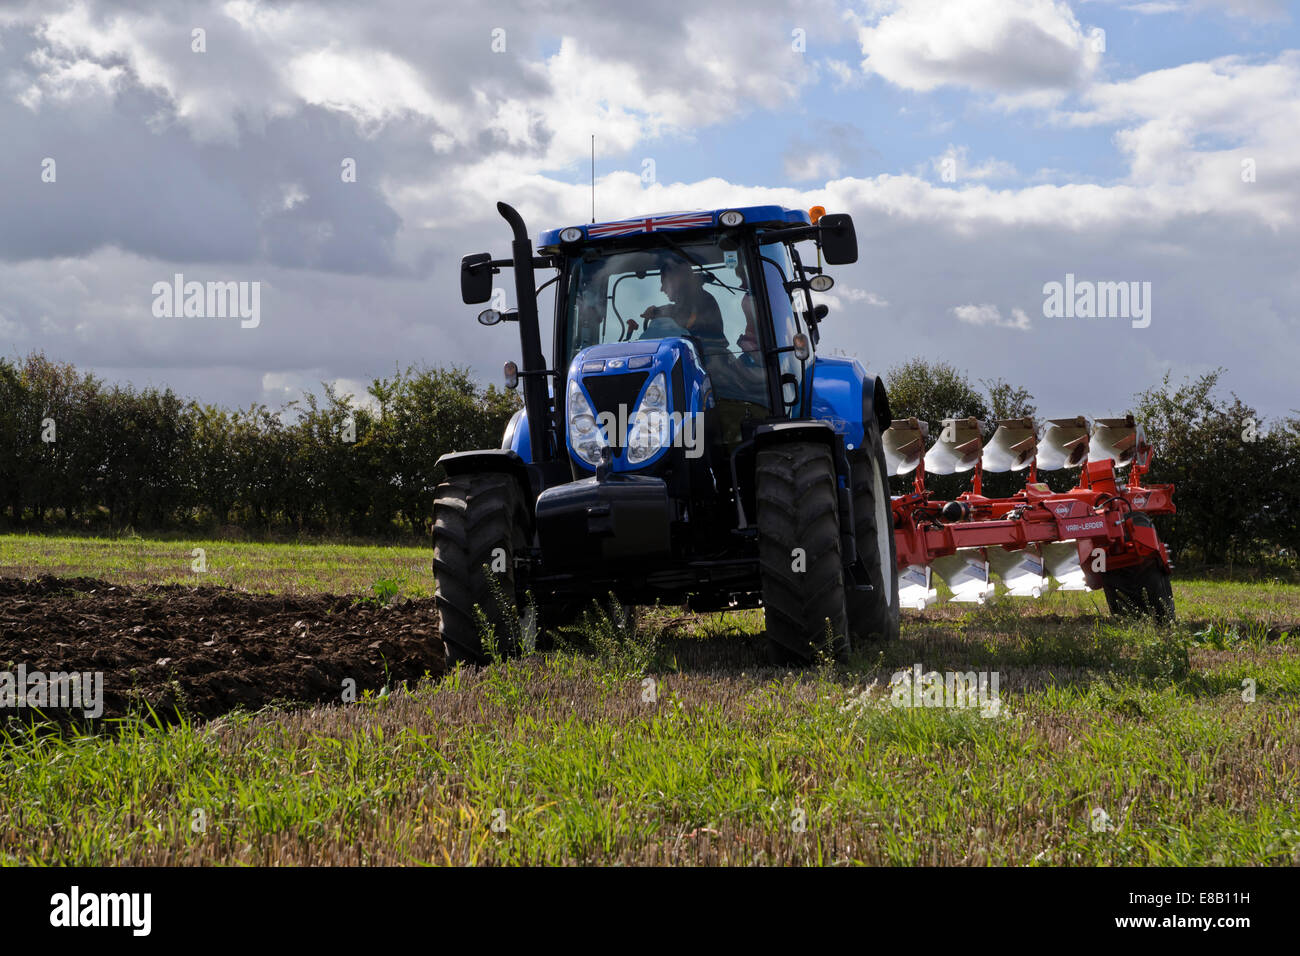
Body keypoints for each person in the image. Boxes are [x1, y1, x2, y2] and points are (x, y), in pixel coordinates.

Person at [627, 258, 725, 343]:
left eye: (664, 283)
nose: (662, 289)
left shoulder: (700, 299)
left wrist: (656, 312)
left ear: (676, 280)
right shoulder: (695, 298)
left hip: (710, 359)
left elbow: (683, 315)